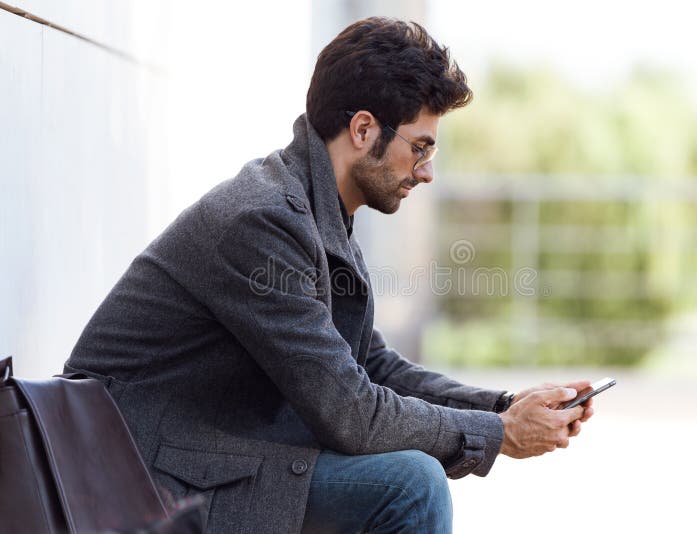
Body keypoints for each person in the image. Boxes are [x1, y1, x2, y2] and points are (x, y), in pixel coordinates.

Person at [66, 16, 595, 534]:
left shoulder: (315, 208)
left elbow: (369, 365)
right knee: (410, 483)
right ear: (364, 130)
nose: (428, 170)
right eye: (421, 146)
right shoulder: (262, 221)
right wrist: (499, 434)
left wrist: (501, 406)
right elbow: (351, 413)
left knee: (403, 471)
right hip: (131, 472)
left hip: (199, 452)